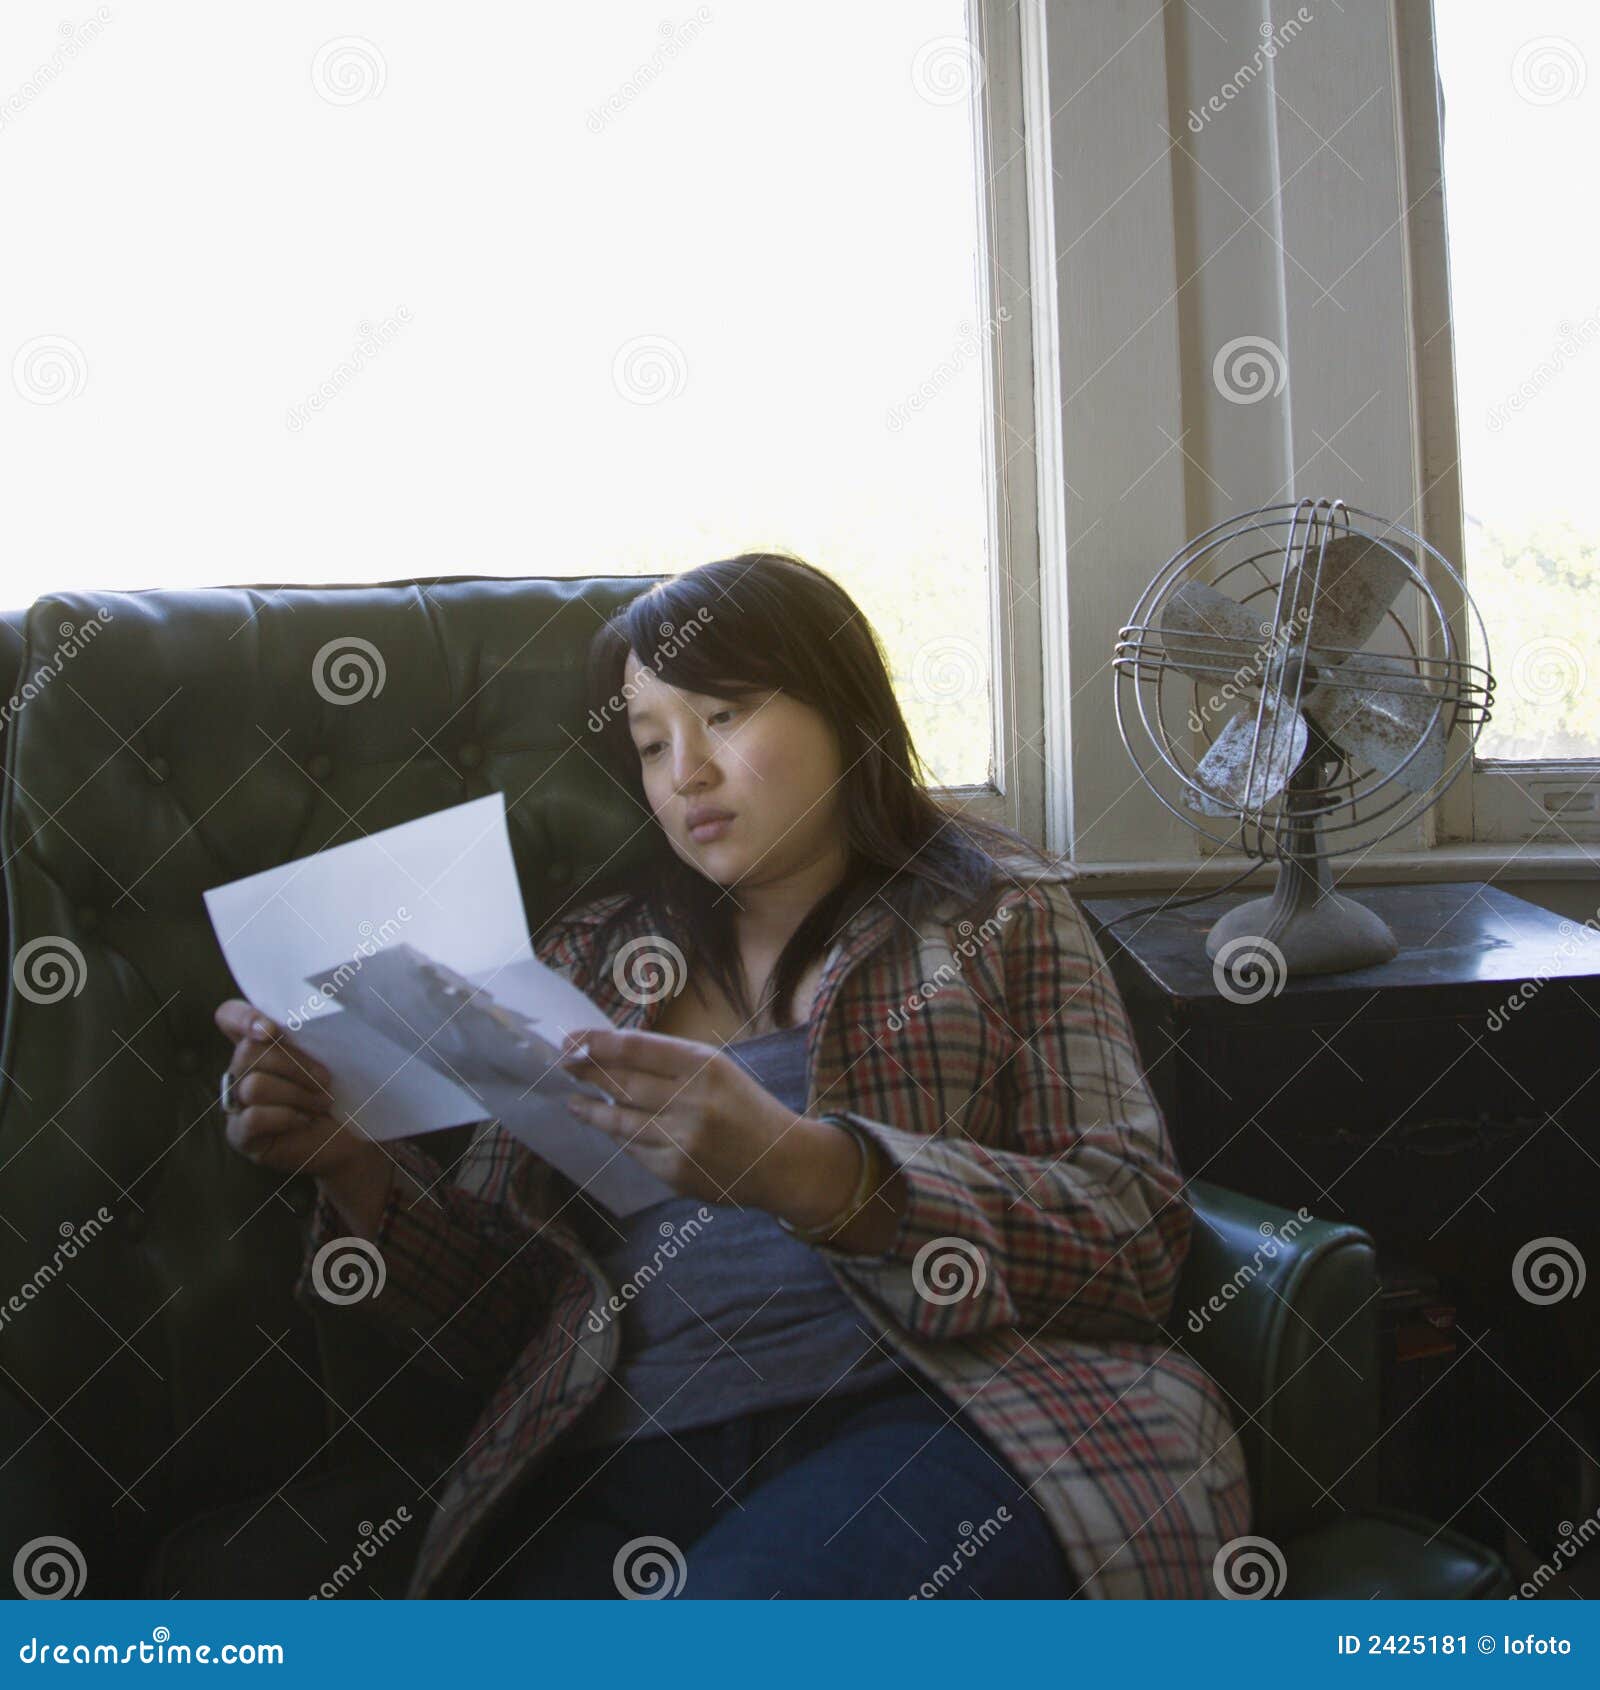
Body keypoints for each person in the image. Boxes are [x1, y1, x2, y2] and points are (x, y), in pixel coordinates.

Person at [178, 551, 1248, 1600]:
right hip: (618, 1459)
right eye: (650, 743)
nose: (683, 772)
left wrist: (820, 1175)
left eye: (723, 717)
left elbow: (1135, 1232)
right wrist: (355, 1172)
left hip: (943, 1411)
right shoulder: (585, 961)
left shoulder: (994, 914)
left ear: (844, 709)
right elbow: (506, 1321)